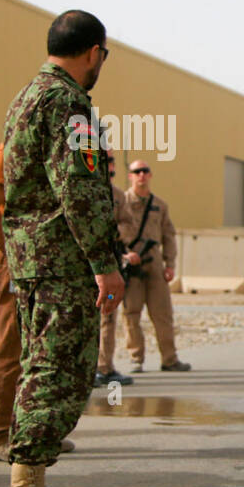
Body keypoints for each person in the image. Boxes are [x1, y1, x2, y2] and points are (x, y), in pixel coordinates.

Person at [1, 9, 124, 487]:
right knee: (59, 370)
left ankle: (33, 482)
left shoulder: (27, 97)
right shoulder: (69, 104)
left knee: (40, 365)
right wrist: (105, 264)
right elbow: (79, 189)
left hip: (34, 260)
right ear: (93, 52)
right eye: (104, 56)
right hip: (61, 264)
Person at [0, 144, 77, 460]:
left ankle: (35, 431)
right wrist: (16, 256)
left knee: (45, 354)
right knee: (12, 350)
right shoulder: (7, 152)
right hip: (18, 263)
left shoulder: (53, 151)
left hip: (48, 265)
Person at [119, 159, 189, 373]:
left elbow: (169, 235)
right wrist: (124, 255)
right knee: (131, 313)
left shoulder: (159, 204)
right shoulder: (121, 202)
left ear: (150, 175)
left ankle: (169, 359)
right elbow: (111, 234)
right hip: (131, 265)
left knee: (163, 314)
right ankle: (136, 358)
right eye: (136, 171)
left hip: (154, 263)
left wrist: (170, 264)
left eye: (145, 171)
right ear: (130, 176)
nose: (141, 175)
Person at [95, 154, 137, 386]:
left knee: (108, 316)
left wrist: (111, 232)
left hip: (109, 268)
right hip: (82, 270)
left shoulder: (118, 196)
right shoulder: (76, 190)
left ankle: (104, 367)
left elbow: (129, 226)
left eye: (110, 162)